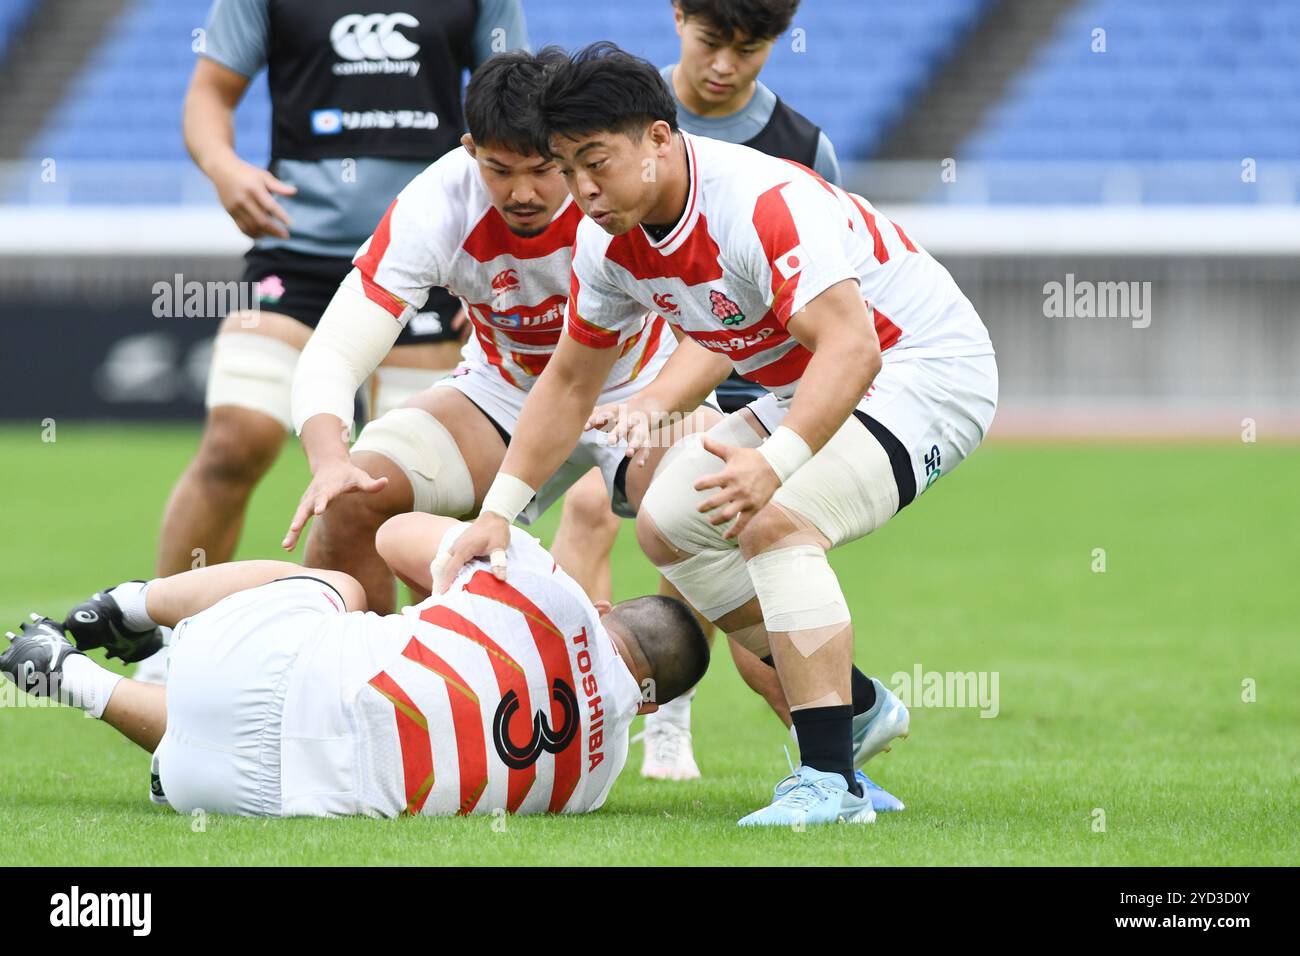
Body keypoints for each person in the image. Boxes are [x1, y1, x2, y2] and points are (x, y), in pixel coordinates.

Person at [437, 44, 998, 826]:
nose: (582, 190)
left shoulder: (757, 203)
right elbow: (567, 381)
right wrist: (499, 509)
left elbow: (854, 346)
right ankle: (857, 704)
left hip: (925, 370)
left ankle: (831, 784)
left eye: (596, 161)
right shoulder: (606, 242)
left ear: (660, 139)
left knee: (775, 522)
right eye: (568, 168)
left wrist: (777, 461)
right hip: (820, 378)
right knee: (669, 524)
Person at [281, 50, 716, 617]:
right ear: (469, 151)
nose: (523, 194)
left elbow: (715, 324)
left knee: (718, 509)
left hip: (639, 388)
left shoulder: (620, 187)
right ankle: (372, 687)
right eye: (499, 169)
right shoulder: (435, 206)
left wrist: (662, 398)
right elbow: (336, 350)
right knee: (351, 497)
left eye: (542, 169)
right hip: (504, 392)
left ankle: (840, 704)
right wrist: (329, 459)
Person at [550, 0, 845, 782]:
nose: (726, 65)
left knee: (727, 566)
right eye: (713, 41)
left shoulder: (800, 150)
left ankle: (831, 759)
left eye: (752, 49)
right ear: (678, 17)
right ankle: (623, 710)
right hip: (656, 368)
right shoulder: (614, 126)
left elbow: (799, 309)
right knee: (617, 515)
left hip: (764, 376)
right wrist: (652, 399)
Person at [153, 0, 528, 592]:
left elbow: (520, 113)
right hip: (295, 252)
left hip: (429, 265)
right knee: (233, 442)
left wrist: (489, 267)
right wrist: (224, 167)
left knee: (401, 493)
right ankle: (165, 640)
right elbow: (210, 93)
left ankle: (415, 669)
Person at [0, 513, 711, 819]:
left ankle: (129, 606)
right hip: (240, 796)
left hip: (247, 666)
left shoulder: (546, 583)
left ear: (608, 608)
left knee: (343, 591)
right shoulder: (598, 778)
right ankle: (73, 680)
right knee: (306, 733)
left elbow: (394, 535)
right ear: (648, 706)